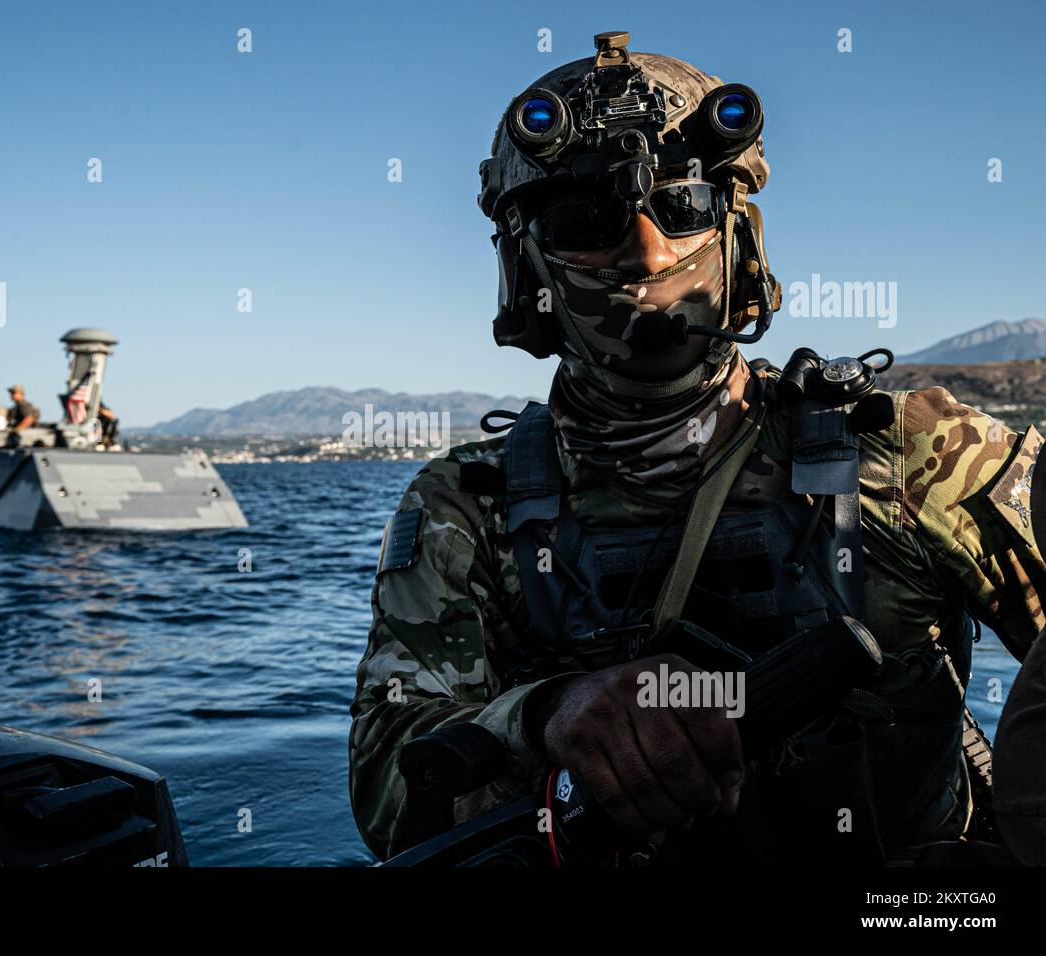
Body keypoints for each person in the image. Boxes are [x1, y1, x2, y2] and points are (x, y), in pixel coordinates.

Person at [348, 31, 1046, 865]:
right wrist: (545, 717)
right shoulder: (468, 508)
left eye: (683, 208)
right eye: (586, 220)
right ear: (525, 265)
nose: (647, 252)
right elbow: (394, 798)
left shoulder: (910, 453)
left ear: (737, 235)